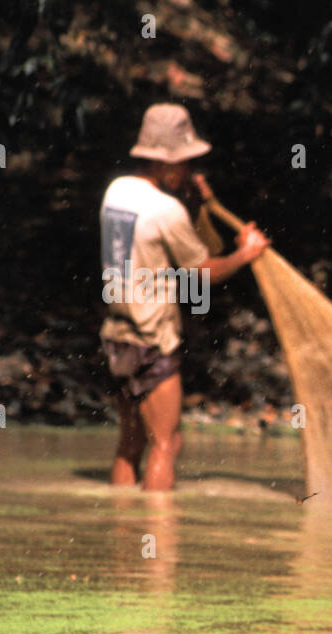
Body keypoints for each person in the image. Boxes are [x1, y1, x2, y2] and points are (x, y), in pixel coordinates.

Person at [99, 103, 269, 490]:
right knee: (166, 443)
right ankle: (160, 541)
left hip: (117, 334)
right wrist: (246, 253)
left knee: (129, 444)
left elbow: (159, 244)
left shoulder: (116, 193)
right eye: (186, 163)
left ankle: (122, 536)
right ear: (167, 164)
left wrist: (194, 199)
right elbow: (201, 275)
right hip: (153, 337)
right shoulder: (165, 210)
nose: (191, 170)